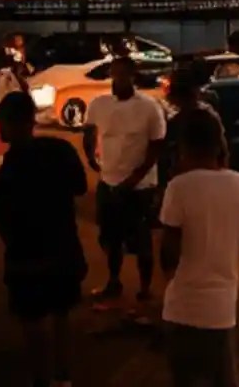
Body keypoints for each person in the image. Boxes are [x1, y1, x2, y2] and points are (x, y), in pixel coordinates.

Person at [160, 109, 239, 387]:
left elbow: (168, 251)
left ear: (184, 147)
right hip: (222, 306)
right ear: (220, 145)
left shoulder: (179, 186)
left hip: (183, 304)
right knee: (223, 376)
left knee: (187, 378)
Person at [0, 92, 88, 387]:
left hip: (27, 256)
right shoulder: (60, 150)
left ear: (9, 122)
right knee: (61, 315)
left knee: (33, 321)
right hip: (64, 249)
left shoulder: (13, 163)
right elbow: (81, 188)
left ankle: (41, 380)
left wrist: (12, 241)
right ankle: (63, 376)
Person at [82, 56, 167, 314]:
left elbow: (156, 147)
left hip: (140, 188)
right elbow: (89, 132)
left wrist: (134, 179)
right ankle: (114, 281)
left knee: (142, 240)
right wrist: (92, 160)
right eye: (114, 74)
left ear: (133, 76)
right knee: (110, 237)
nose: (117, 80)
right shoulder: (99, 104)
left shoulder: (149, 107)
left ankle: (144, 287)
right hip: (109, 182)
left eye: (123, 75)